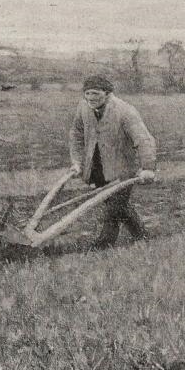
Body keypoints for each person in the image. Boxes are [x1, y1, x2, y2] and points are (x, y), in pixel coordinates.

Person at [68, 75, 156, 248]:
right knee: (117, 206)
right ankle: (141, 237)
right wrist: (77, 162)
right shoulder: (83, 108)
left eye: (95, 93)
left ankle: (103, 246)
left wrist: (147, 167)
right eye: (87, 93)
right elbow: (76, 135)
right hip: (97, 168)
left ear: (107, 94)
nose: (90, 98)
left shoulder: (125, 111)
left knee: (113, 209)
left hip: (122, 169)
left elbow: (144, 139)